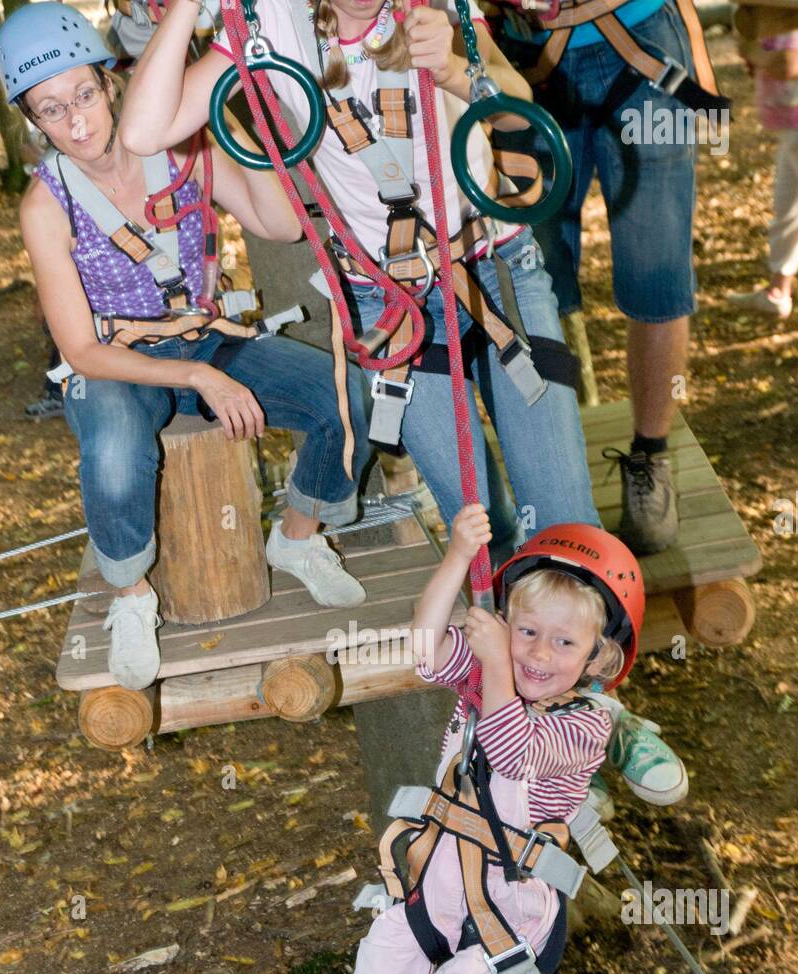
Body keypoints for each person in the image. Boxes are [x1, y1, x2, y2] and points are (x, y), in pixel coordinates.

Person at [121, 0, 688, 800]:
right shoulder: (269, 28)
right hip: (390, 305)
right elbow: (145, 131)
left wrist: (458, 68)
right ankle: (524, 732)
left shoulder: (435, 9)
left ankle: (593, 713)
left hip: (494, 270)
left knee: (565, 522)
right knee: (474, 525)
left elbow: (520, 114)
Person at [0, 2, 372, 692]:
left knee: (341, 396)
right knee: (113, 451)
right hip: (117, 359)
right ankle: (131, 595)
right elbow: (80, 349)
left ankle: (295, 537)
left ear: (111, 83)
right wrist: (202, 378)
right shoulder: (47, 207)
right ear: (34, 121)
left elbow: (280, 224)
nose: (76, 121)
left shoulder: (184, 150)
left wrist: (234, 132)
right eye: (51, 111)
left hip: (201, 333)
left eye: (83, 94)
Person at [301, 503, 642, 974]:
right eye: (524, 631)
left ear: (596, 659)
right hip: (436, 880)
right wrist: (456, 556)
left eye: (562, 641)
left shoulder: (585, 722)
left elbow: (512, 749)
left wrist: (492, 663)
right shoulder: (492, 670)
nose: (537, 653)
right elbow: (424, 650)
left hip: (505, 917)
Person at [492, 0, 730, 555]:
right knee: (531, 277)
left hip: (640, 39)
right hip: (524, 51)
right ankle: (550, 478)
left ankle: (651, 454)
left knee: (657, 272)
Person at [729, 7, 798, 320]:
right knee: (791, 212)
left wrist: (755, 53)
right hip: (794, 126)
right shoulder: (771, 17)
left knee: (795, 210)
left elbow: (790, 64)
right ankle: (778, 291)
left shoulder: (795, 12)